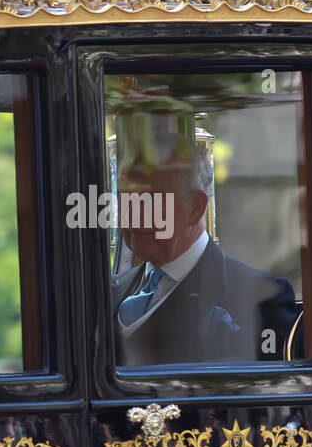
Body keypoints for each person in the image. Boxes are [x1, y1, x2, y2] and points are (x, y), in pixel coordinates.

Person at [112, 145, 298, 367]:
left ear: (195, 208)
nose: (133, 214)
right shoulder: (110, 291)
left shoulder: (262, 298)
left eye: (151, 200)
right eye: (126, 199)